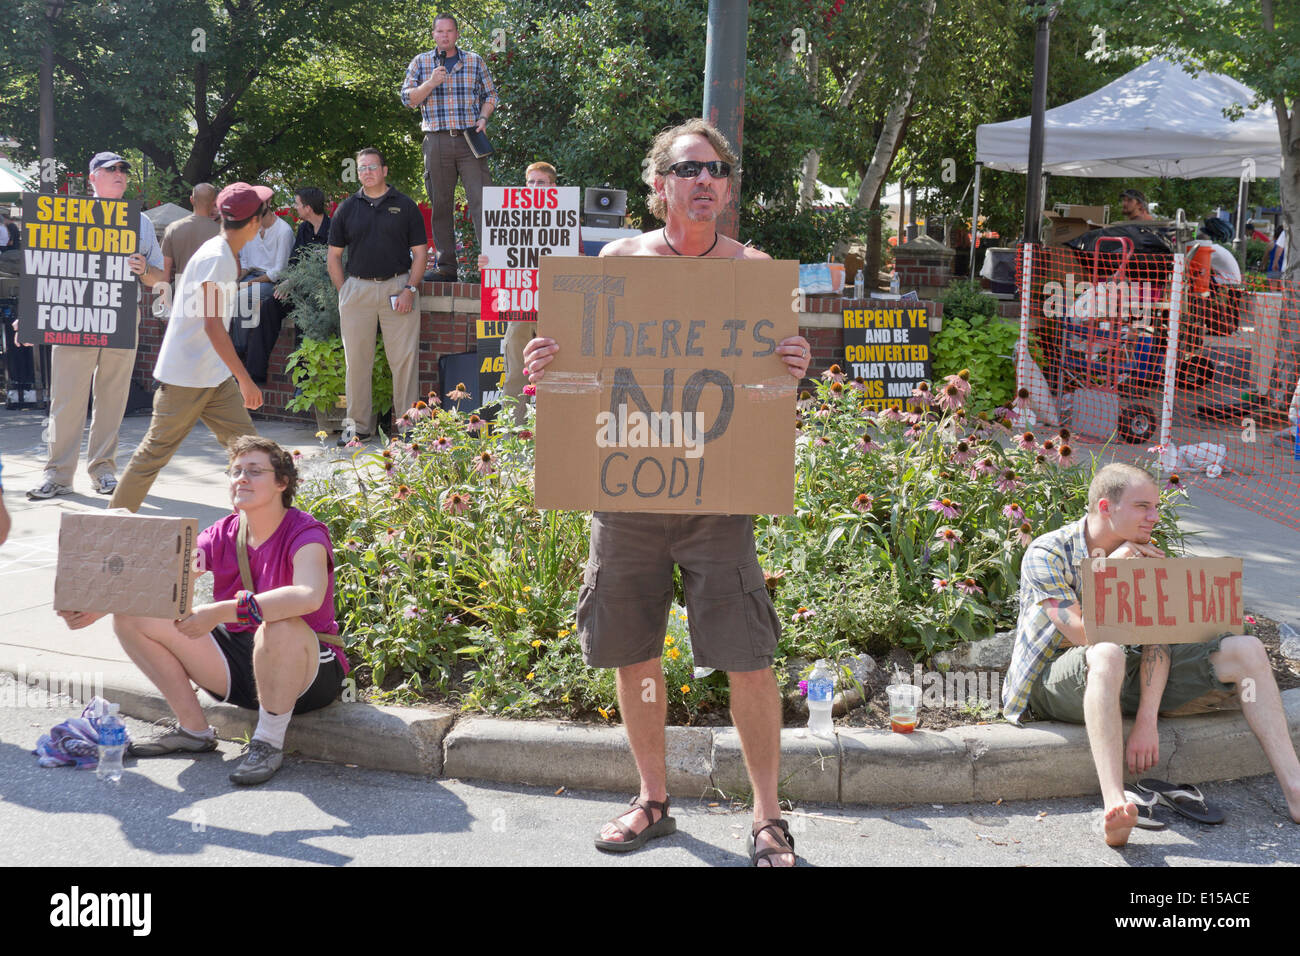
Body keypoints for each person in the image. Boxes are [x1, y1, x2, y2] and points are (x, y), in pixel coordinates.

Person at [523, 119, 811, 866]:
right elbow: (573, 371)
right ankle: (652, 799)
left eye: (717, 169)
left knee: (747, 655)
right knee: (634, 651)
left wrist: (792, 362)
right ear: (659, 186)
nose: (706, 181)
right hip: (627, 495)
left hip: (717, 499)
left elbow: (766, 383)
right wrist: (546, 358)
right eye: (690, 170)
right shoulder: (615, 264)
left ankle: (768, 816)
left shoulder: (753, 270)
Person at [1003, 462, 1300, 847]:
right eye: (1143, 506)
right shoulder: (1048, 551)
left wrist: (1147, 720)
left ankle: (1294, 788)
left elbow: (1157, 640)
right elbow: (1080, 633)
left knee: (1248, 650)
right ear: (1107, 507)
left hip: (1121, 678)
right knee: (1106, 651)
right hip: (1055, 683)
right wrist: (1111, 573)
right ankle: (1116, 805)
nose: (1154, 517)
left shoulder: (1146, 554)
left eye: (1155, 507)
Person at [60, 436, 346, 786]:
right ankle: (194, 731)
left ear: (281, 483)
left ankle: (268, 743)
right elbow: (160, 574)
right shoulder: (224, 532)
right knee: (133, 616)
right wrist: (95, 608)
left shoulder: (306, 532)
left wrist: (219, 611)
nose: (241, 478)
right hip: (241, 668)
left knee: (280, 624)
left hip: (307, 673)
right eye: (236, 471)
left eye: (254, 471)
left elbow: (307, 596)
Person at [108, 182, 268, 513]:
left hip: (211, 374)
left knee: (252, 451)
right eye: (263, 214)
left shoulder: (221, 253)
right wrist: (245, 378)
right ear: (252, 222)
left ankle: (272, 527)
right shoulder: (217, 258)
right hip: (186, 375)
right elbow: (212, 325)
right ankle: (107, 533)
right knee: (153, 455)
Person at [27, 151, 164, 501]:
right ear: (93, 178)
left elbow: (159, 278)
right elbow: (46, 269)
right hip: (75, 316)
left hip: (121, 315)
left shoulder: (142, 223)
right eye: (111, 169)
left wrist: (143, 268)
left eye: (123, 170)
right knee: (67, 399)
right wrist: (31, 315)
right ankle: (57, 475)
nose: (120, 174)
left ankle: (103, 471)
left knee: (113, 399)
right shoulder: (68, 217)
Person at [327, 148, 428, 444]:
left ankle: (409, 427)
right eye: (362, 168)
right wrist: (344, 289)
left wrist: (410, 288)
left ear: (385, 170)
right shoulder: (347, 208)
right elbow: (333, 256)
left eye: (372, 166)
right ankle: (357, 427)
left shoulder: (406, 206)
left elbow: (420, 255)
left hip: (398, 288)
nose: (367, 172)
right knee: (356, 361)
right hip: (356, 290)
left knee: (404, 361)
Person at [400, 12, 498, 282]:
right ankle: (446, 268)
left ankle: (492, 265)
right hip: (437, 139)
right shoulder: (421, 62)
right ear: (433, 35)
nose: (444, 36)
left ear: (457, 34)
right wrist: (431, 82)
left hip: (469, 138)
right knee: (441, 205)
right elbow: (407, 99)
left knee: (482, 201)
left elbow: (491, 94)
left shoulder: (475, 60)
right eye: (439, 31)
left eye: (449, 31)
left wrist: (484, 117)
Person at [480, 161, 560, 425]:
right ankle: (514, 433)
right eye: (531, 182)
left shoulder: (565, 216)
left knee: (558, 370)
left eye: (541, 182)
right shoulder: (510, 214)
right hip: (521, 303)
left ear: (553, 187)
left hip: (555, 305)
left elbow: (578, 258)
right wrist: (487, 262)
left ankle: (555, 431)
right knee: (516, 372)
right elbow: (499, 261)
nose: (535, 187)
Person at [236, 205, 294, 384]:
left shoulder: (284, 231)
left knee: (243, 298)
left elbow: (279, 272)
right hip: (251, 277)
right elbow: (245, 262)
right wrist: (235, 281)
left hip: (273, 282)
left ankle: (239, 352)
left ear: (264, 214)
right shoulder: (250, 228)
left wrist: (246, 285)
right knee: (223, 296)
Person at [161, 183, 219, 284]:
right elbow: (234, 269)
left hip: (183, 290)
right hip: (212, 292)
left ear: (191, 200)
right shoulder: (222, 233)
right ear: (214, 202)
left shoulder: (173, 229)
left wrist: (164, 299)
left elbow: (164, 272)